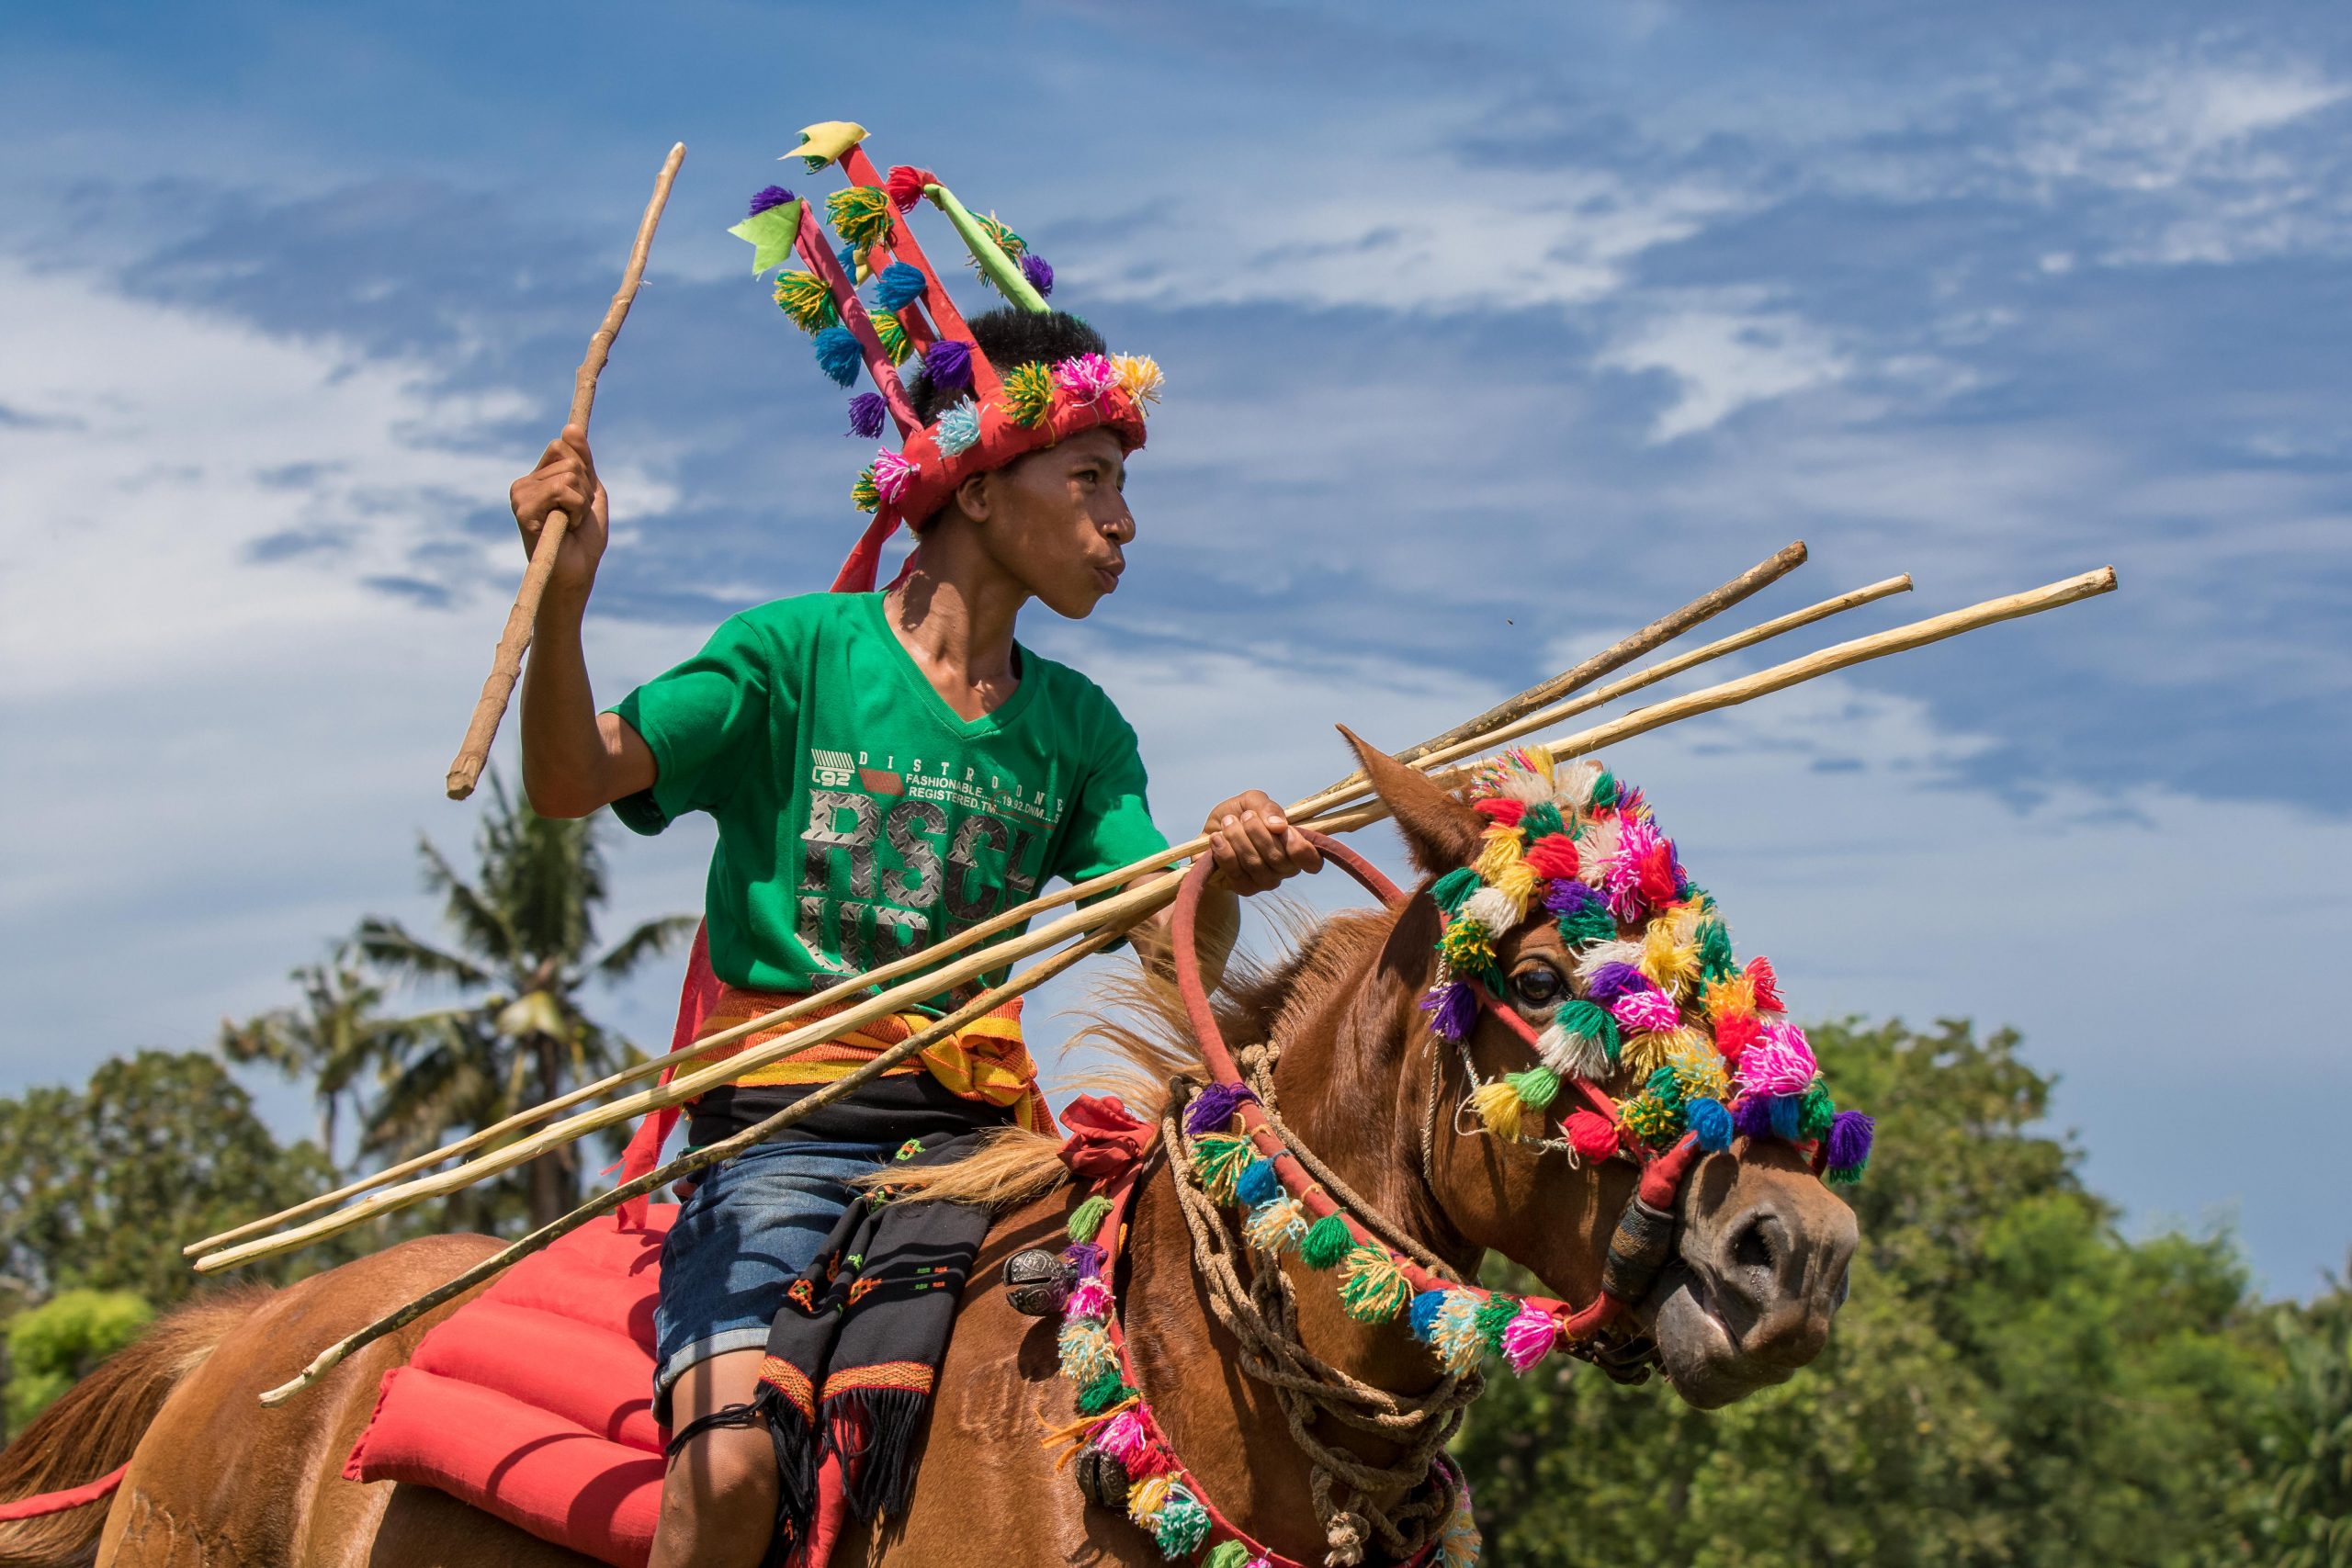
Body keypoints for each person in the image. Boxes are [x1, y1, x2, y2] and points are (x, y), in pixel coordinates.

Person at [507, 133, 1319, 1568]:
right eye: (1090, 481)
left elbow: (1160, 939)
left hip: (983, 1155)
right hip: (779, 1138)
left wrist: (1223, 873)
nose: (1124, 524)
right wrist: (563, 605)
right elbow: (574, 778)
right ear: (980, 486)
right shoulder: (789, 657)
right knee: (735, 1476)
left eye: (1124, 488)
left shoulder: (1080, 731)